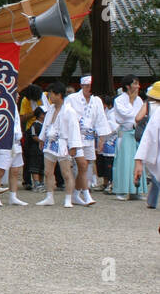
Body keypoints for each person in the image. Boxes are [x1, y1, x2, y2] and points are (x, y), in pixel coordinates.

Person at [63, 75, 112, 206]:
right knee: (82, 165)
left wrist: (101, 139)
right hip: (75, 136)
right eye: (87, 86)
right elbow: (65, 116)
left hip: (89, 138)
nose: (89, 89)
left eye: (91, 86)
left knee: (84, 168)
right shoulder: (72, 99)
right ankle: (86, 193)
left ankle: (76, 194)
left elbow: (101, 120)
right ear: (82, 86)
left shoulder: (97, 101)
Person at [37, 80, 82, 207]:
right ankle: (49, 196)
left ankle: (68, 198)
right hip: (50, 142)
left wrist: (73, 146)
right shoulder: (50, 109)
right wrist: (42, 138)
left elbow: (74, 129)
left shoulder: (69, 111)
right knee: (47, 171)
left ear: (59, 95)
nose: (50, 97)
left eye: (51, 94)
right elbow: (46, 125)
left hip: (63, 142)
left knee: (66, 172)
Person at [111, 76, 148, 200]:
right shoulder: (119, 100)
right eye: (135, 84)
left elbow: (142, 115)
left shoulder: (139, 100)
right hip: (126, 133)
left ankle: (136, 191)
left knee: (136, 162)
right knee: (124, 162)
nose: (138, 86)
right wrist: (137, 114)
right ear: (128, 86)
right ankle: (121, 190)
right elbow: (126, 115)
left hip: (137, 133)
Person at [132, 81, 160, 216]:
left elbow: (148, 135)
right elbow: (149, 136)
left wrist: (139, 161)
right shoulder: (157, 111)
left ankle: (152, 201)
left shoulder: (149, 106)